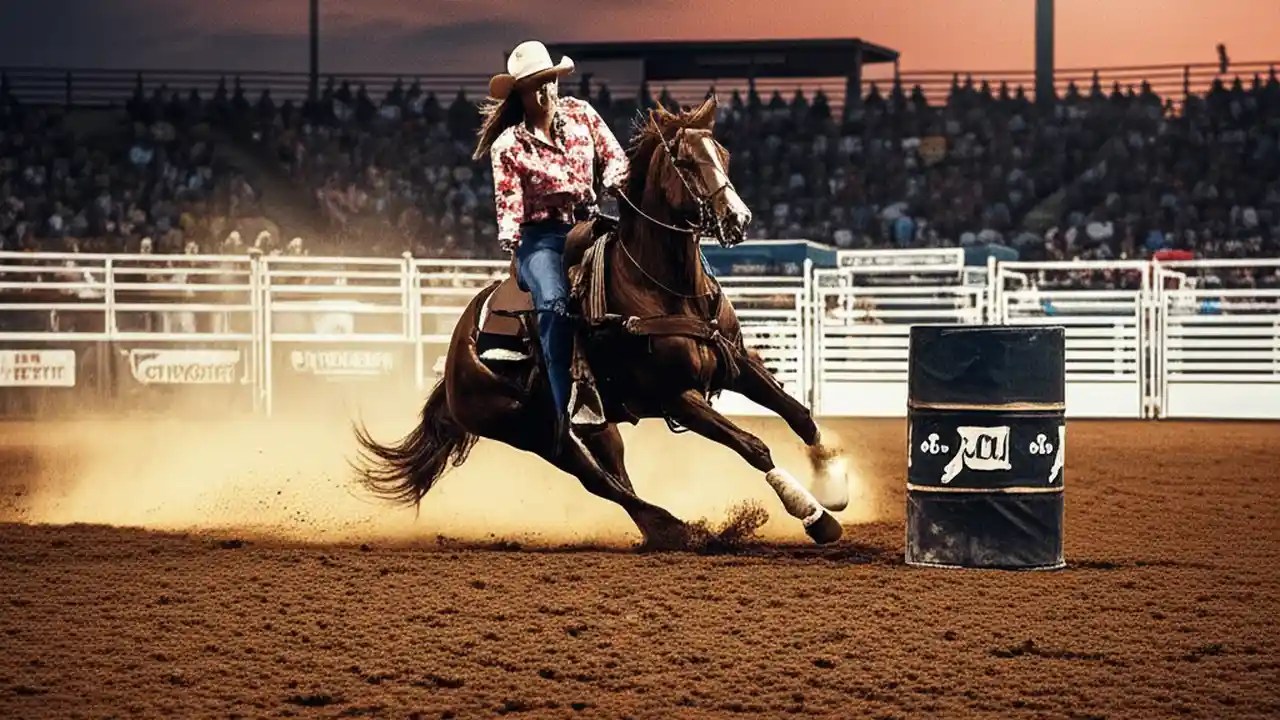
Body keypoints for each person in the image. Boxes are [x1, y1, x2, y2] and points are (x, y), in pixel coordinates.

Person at [473, 40, 629, 432]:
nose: (546, 92)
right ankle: (567, 412)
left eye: (550, 82)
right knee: (556, 304)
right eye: (536, 86)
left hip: (590, 224)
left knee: (642, 265)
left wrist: (614, 180)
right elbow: (509, 205)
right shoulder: (509, 144)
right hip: (540, 238)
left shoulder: (582, 114)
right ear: (521, 94)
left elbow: (615, 158)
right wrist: (512, 240)